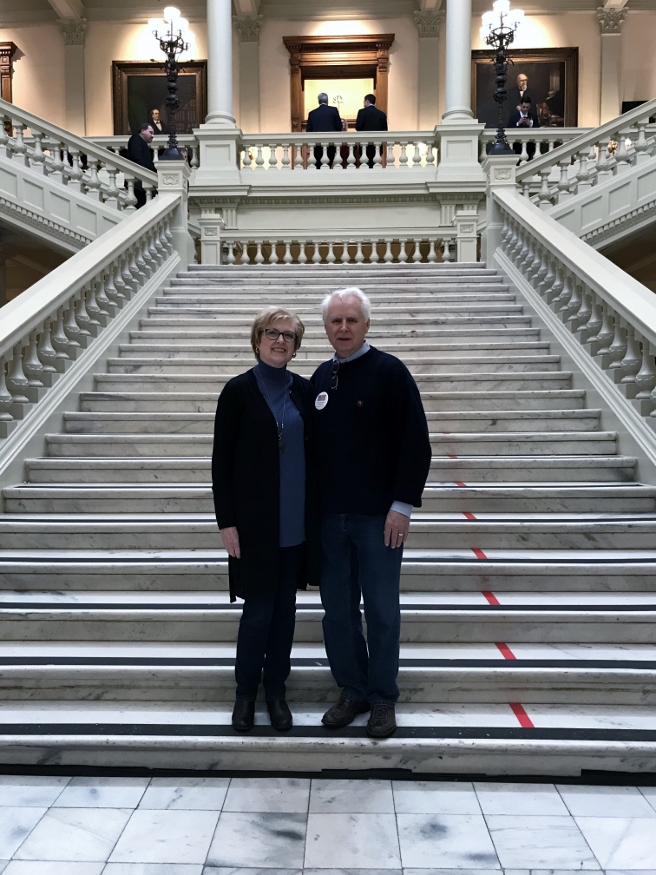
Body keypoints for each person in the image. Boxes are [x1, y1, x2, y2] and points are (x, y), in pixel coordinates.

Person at [310, 288, 431, 738]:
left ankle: (382, 697)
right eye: (335, 321)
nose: (343, 328)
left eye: (351, 320)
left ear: (366, 324)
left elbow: (415, 443)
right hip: (329, 520)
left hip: (379, 520)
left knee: (381, 610)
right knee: (336, 612)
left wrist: (402, 506)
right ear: (325, 327)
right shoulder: (321, 377)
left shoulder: (390, 372)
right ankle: (352, 690)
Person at [212, 308, 319, 734]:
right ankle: (246, 693)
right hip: (253, 526)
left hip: (295, 523)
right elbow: (222, 463)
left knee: (286, 610)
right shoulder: (237, 391)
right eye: (272, 333)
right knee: (258, 611)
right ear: (257, 339)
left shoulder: (306, 392)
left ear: (296, 345)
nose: (280, 341)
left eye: (289, 336)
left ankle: (276, 691)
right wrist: (227, 522)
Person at [305, 92, 342, 169]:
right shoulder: (333, 110)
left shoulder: (312, 113)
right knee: (328, 165)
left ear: (318, 101)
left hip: (317, 145)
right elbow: (339, 127)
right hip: (331, 144)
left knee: (318, 166)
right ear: (327, 101)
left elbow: (308, 130)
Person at [125, 123, 156, 208]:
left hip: (142, 183)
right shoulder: (136, 139)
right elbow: (137, 158)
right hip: (139, 182)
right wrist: (146, 174)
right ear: (142, 131)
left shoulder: (141, 142)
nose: (152, 135)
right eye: (150, 132)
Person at [355, 93, 388, 168]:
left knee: (365, 166)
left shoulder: (362, 112)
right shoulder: (381, 114)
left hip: (364, 145)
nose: (363, 104)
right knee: (375, 165)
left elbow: (358, 127)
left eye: (364, 102)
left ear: (367, 101)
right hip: (377, 145)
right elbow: (385, 130)